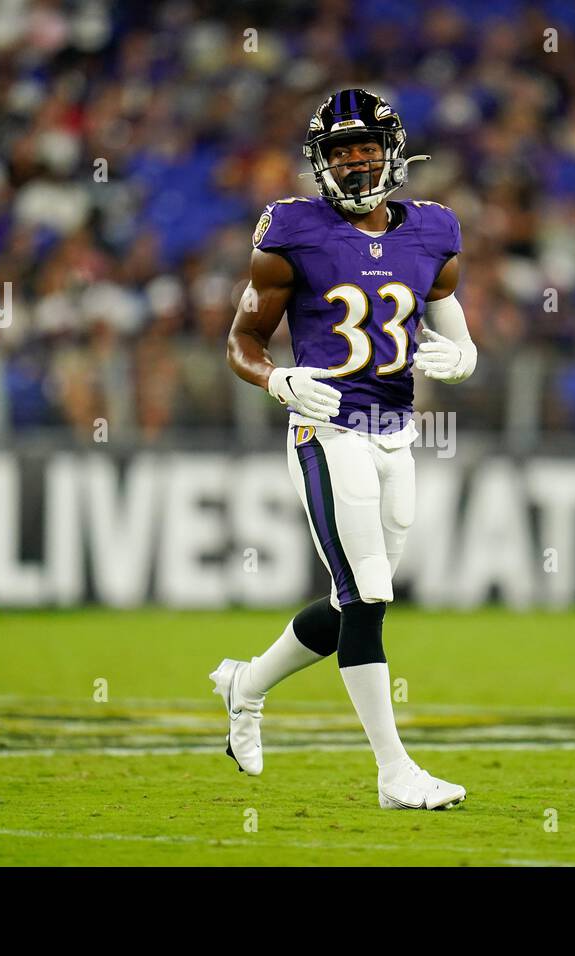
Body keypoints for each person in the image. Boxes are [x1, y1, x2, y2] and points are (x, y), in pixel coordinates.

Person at [215, 89, 475, 810]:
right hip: (328, 430)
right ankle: (394, 772)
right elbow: (241, 343)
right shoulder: (293, 231)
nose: (354, 162)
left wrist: (467, 354)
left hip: (398, 435)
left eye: (364, 148)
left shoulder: (433, 230)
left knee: (349, 604)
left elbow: (454, 327)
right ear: (320, 162)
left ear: (392, 151)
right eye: (339, 151)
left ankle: (247, 684)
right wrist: (279, 378)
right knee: (369, 594)